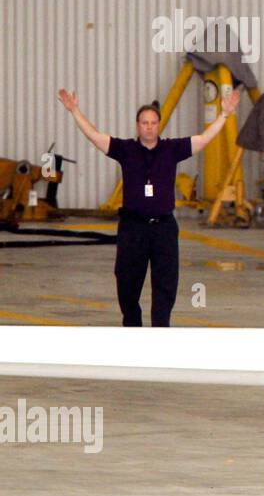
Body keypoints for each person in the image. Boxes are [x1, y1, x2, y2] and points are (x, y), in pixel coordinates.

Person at [58, 87, 240, 327]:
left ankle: (160, 332)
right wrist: (74, 111)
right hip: (133, 228)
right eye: (144, 122)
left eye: (153, 123)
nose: (149, 127)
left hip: (163, 228)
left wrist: (224, 115)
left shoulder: (172, 149)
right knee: (127, 282)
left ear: (159, 125)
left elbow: (203, 140)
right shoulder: (125, 150)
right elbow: (95, 136)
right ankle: (132, 329)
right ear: (137, 125)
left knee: (165, 284)